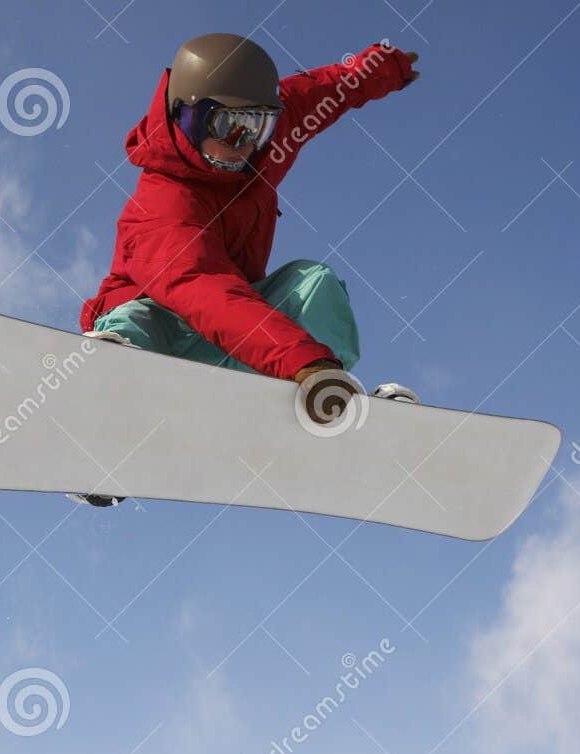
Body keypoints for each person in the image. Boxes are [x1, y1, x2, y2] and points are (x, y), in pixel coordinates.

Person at [71, 32, 421, 507]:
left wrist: (386, 68)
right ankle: (107, 411)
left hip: (240, 342)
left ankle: (319, 409)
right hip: (166, 341)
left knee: (313, 283)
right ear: (185, 116)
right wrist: (304, 361)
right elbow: (204, 290)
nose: (243, 144)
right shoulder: (162, 202)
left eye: (258, 127)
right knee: (142, 316)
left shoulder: (263, 147)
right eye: (228, 125)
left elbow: (327, 88)